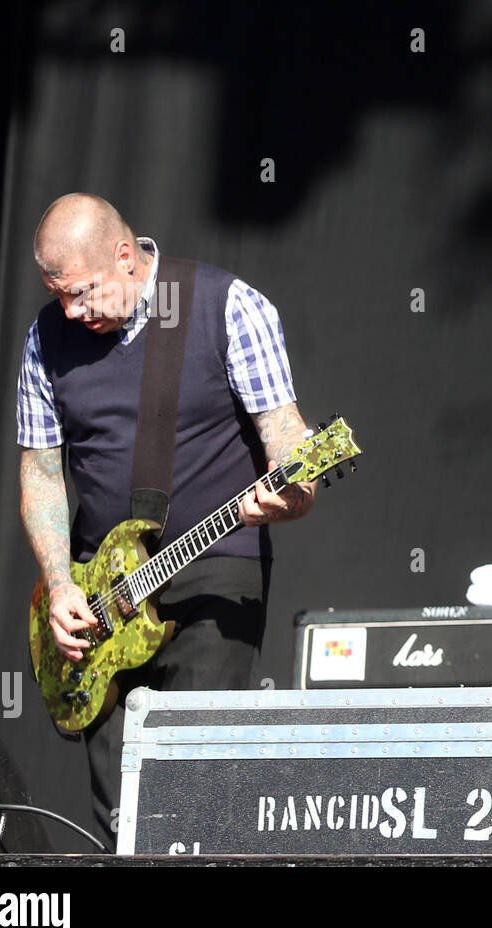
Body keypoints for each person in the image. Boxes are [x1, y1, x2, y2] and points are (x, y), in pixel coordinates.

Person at [17, 193, 316, 849]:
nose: (71, 311)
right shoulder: (47, 337)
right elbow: (40, 472)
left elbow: (290, 443)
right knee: (121, 811)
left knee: (195, 790)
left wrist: (293, 495)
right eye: (60, 295)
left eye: (84, 293)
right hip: (104, 595)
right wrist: (62, 584)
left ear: (125, 257)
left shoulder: (228, 305)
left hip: (213, 568)